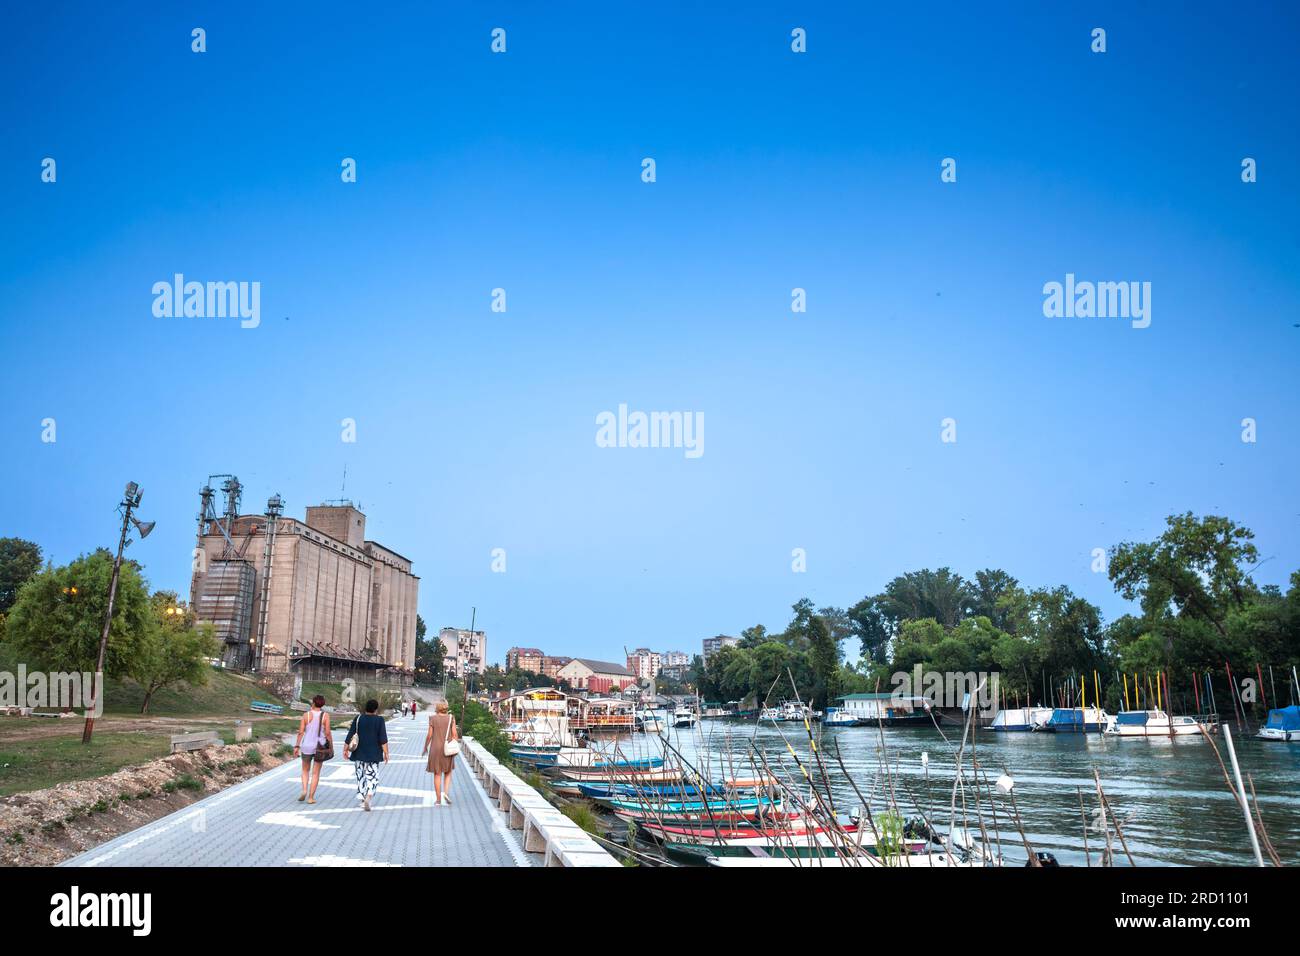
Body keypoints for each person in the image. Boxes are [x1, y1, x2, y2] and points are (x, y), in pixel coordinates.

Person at [343, 698, 389, 811]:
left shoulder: (358, 719)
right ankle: (369, 796)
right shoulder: (379, 720)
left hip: (359, 753)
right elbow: (383, 738)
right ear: (376, 709)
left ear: (366, 708)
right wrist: (386, 752)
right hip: (374, 754)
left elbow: (350, 734)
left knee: (360, 776)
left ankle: (363, 800)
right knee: (372, 776)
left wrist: (345, 749)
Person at [293, 695, 331, 804]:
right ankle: (310, 797)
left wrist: (297, 746)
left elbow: (301, 732)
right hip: (320, 747)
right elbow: (327, 733)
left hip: (307, 746)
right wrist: (330, 745)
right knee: (315, 773)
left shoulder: (306, 715)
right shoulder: (325, 716)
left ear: (313, 703)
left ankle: (304, 790)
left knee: (305, 770)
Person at [421, 700, 459, 806]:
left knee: (437, 774)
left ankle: (438, 800)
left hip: (435, 749)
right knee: (448, 772)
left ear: (437, 707)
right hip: (447, 749)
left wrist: (425, 747)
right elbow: (455, 734)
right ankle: (446, 793)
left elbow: (429, 735)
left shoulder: (432, 718)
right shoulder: (451, 718)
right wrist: (454, 746)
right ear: (446, 707)